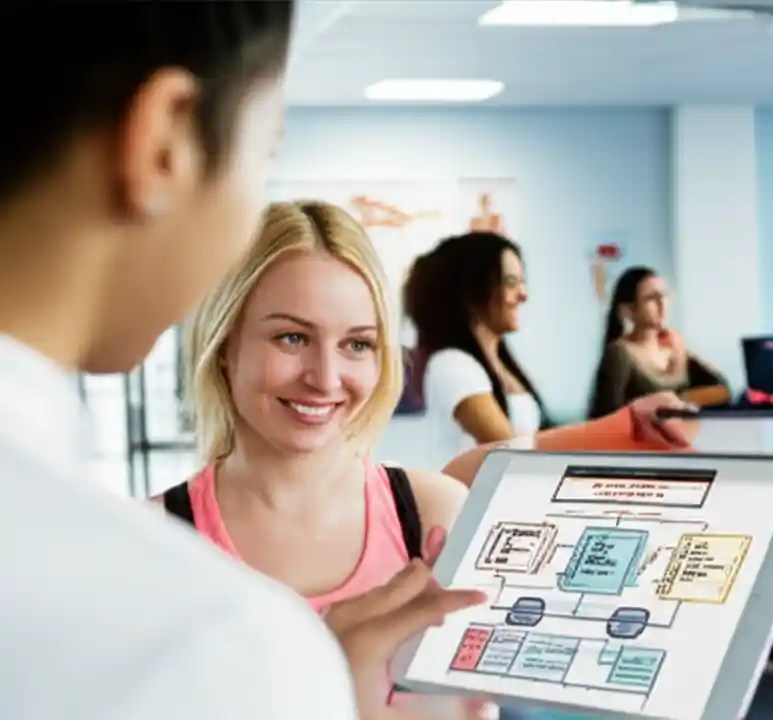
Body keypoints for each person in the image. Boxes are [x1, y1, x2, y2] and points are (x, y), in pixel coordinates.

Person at [0, 4, 487, 719]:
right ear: (165, 138)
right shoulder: (214, 632)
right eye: (264, 156)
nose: (326, 374)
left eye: (357, 342)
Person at [160, 199, 694, 717]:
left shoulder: (434, 513)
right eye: (292, 337)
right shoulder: (152, 541)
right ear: (225, 344)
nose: (325, 378)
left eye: (357, 345)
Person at [397, 232, 546, 470]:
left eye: (521, 281)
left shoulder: (501, 365)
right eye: (510, 282)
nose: (523, 294)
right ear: (471, 291)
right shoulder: (452, 364)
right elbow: (509, 450)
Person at [588, 265, 730, 418]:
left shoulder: (674, 348)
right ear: (627, 310)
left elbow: (722, 390)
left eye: (664, 295)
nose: (662, 304)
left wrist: (681, 398)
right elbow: (606, 416)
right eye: (651, 298)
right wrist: (670, 403)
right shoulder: (619, 353)